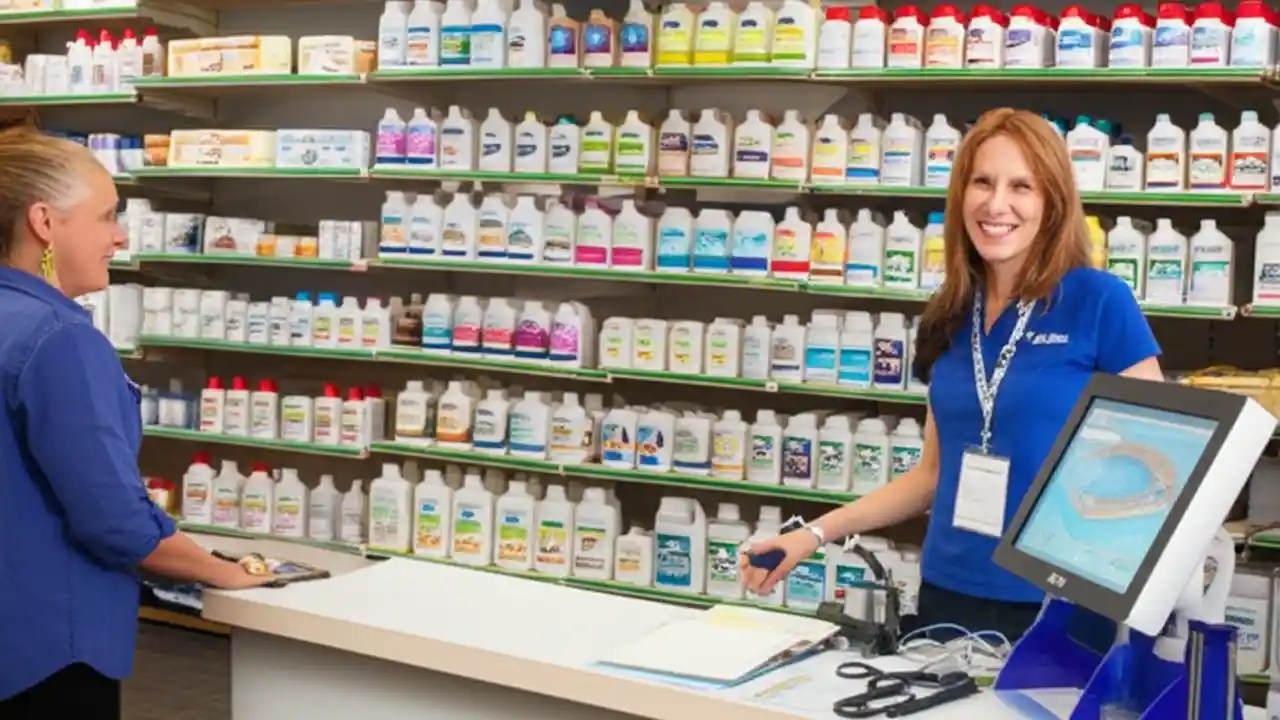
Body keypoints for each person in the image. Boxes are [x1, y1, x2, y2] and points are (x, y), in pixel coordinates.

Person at [742, 108, 1163, 641]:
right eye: (982, 182)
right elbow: (931, 475)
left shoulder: (1099, 302)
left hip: (1059, 603)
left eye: (1021, 186)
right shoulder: (949, 314)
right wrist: (813, 534)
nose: (996, 204)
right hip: (949, 590)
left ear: (1053, 202)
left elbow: (1157, 464)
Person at [0, 128, 273, 719]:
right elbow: (113, 521)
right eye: (105, 216)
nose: (120, 236)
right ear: (44, 223)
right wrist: (223, 571)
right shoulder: (60, 340)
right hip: (46, 651)